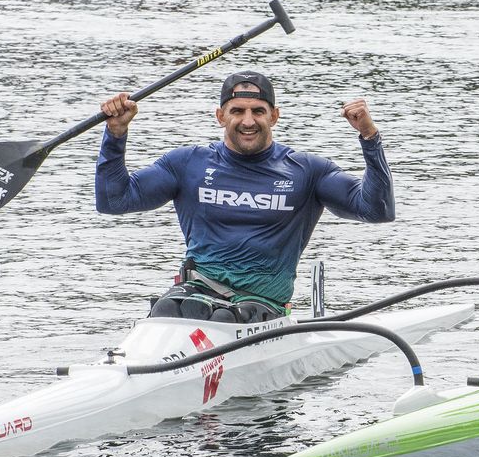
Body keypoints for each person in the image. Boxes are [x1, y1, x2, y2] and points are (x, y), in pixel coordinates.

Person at [95, 71, 393, 324]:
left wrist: (369, 137)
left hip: (262, 305)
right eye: (237, 111)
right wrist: (116, 135)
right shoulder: (187, 163)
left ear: (274, 116)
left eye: (258, 111)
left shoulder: (307, 170)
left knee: (225, 318)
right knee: (165, 310)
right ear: (220, 116)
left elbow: (376, 209)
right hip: (196, 292)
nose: (248, 121)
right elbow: (115, 201)